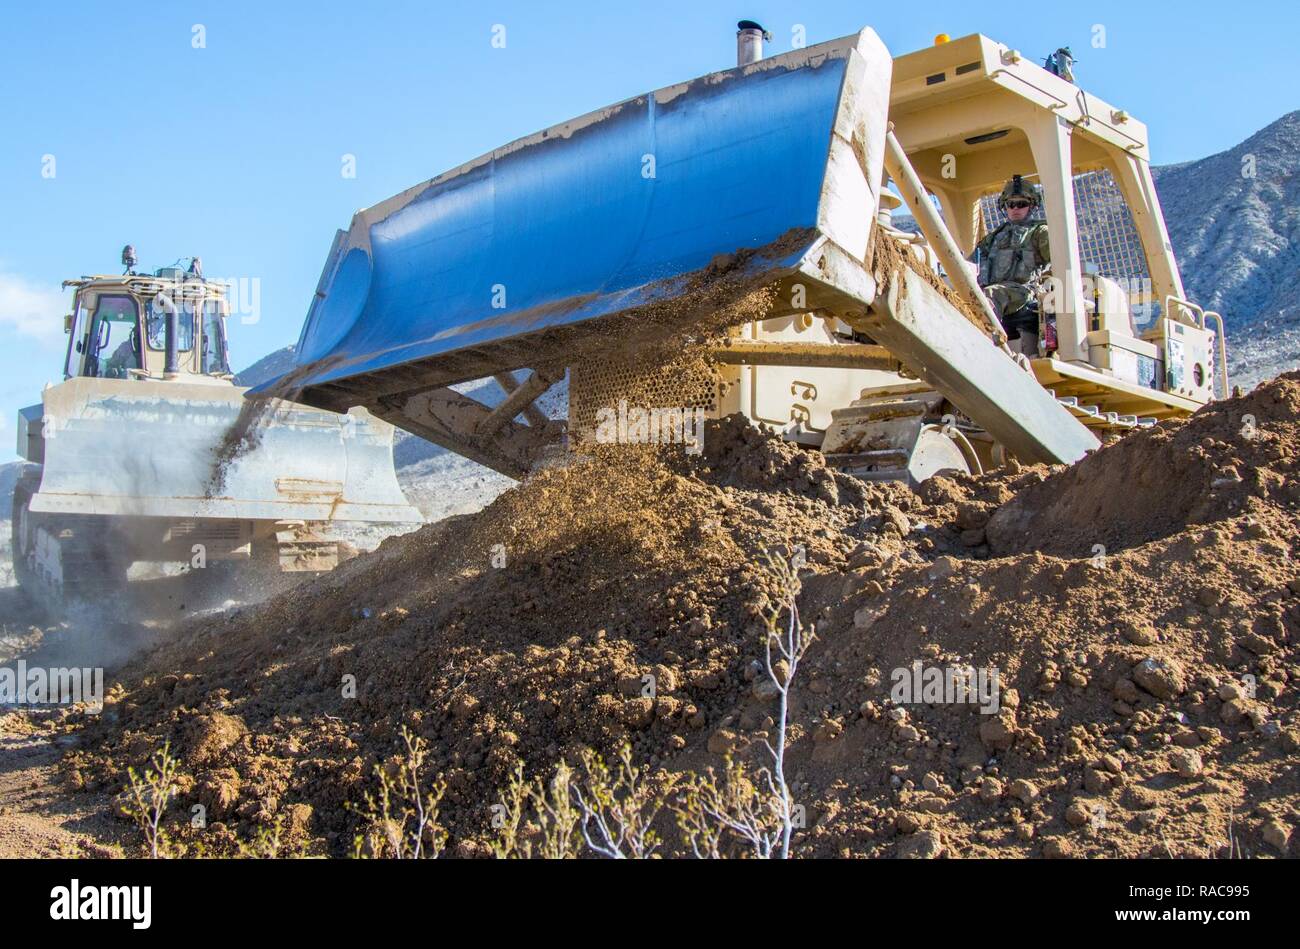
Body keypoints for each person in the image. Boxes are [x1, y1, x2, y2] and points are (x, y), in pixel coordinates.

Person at [969, 176, 1051, 356]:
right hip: (996, 292)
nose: (1015, 209)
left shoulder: (1039, 232)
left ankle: (986, 349)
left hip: (1024, 292)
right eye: (1010, 204)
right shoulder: (994, 237)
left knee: (990, 295)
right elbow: (971, 263)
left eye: (1021, 204)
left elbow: (1059, 261)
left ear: (1032, 206)